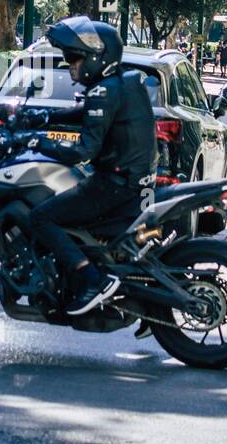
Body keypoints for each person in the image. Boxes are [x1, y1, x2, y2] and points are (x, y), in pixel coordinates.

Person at [25, 16, 157, 316]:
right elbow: (87, 111)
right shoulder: (125, 80)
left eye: (74, 56)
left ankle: (90, 278)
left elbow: (83, 151)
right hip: (137, 179)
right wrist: (42, 118)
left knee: (41, 218)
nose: (68, 62)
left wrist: (37, 143)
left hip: (114, 183)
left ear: (97, 57)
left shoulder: (103, 91)